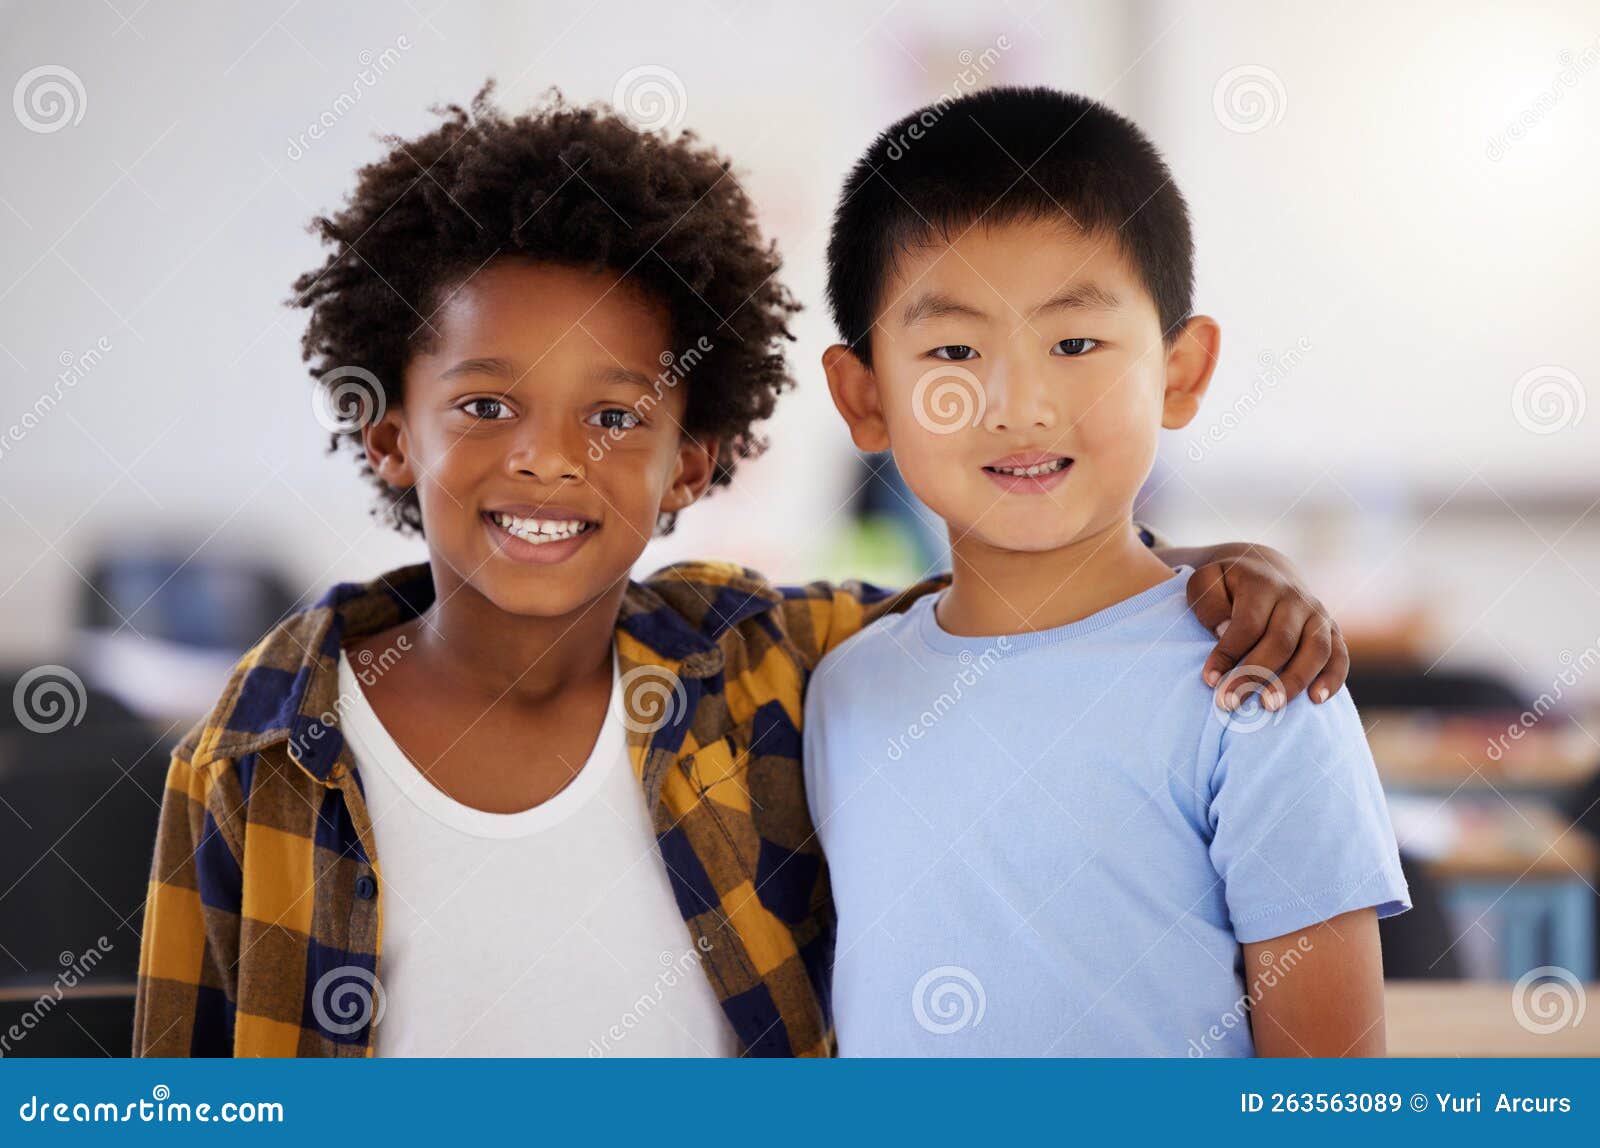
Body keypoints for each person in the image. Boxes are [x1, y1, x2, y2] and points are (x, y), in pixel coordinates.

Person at [134, 84, 1353, 1057]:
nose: (550, 461)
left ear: (693, 459)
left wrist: (1220, 568)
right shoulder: (256, 757)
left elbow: (1029, 606)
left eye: (615, 417)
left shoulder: (761, 668)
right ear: (391, 430)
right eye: (487, 403)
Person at [806, 86, 1410, 1057]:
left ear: (1179, 371)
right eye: (953, 348)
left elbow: (1333, 1089)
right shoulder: (840, 689)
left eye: (1075, 342)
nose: (1019, 403)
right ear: (865, 397)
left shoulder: (1257, 682)